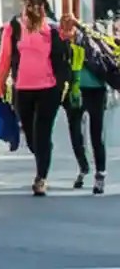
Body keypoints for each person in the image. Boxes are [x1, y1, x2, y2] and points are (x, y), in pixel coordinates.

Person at [0, 0, 72, 196]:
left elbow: (66, 53)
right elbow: (5, 58)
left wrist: (65, 84)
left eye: (38, 5)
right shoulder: (14, 27)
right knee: (30, 135)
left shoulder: (53, 29)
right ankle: (43, 155)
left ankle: (41, 177)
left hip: (49, 88)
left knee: (42, 132)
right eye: (29, 5)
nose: (33, 9)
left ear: (44, 8)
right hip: (23, 88)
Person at [60, 13, 108, 195]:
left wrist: (79, 26)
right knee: (76, 133)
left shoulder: (88, 39)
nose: (65, 31)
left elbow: (94, 39)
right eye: (63, 27)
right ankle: (83, 167)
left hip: (95, 90)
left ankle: (100, 174)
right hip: (73, 92)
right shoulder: (62, 44)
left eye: (68, 25)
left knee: (97, 133)